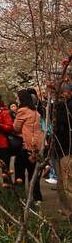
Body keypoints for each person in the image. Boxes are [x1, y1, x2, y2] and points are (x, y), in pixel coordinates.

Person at [12, 87, 43, 204]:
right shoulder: (35, 111)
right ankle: (36, 197)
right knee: (33, 173)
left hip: (25, 145)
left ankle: (21, 198)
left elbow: (16, 127)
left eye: (17, 98)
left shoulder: (22, 111)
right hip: (36, 145)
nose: (16, 100)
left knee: (20, 172)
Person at [52, 79, 72, 216]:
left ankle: (69, 210)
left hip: (67, 148)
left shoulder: (66, 107)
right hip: (60, 148)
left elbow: (63, 124)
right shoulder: (59, 106)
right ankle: (66, 209)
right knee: (62, 182)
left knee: (67, 183)